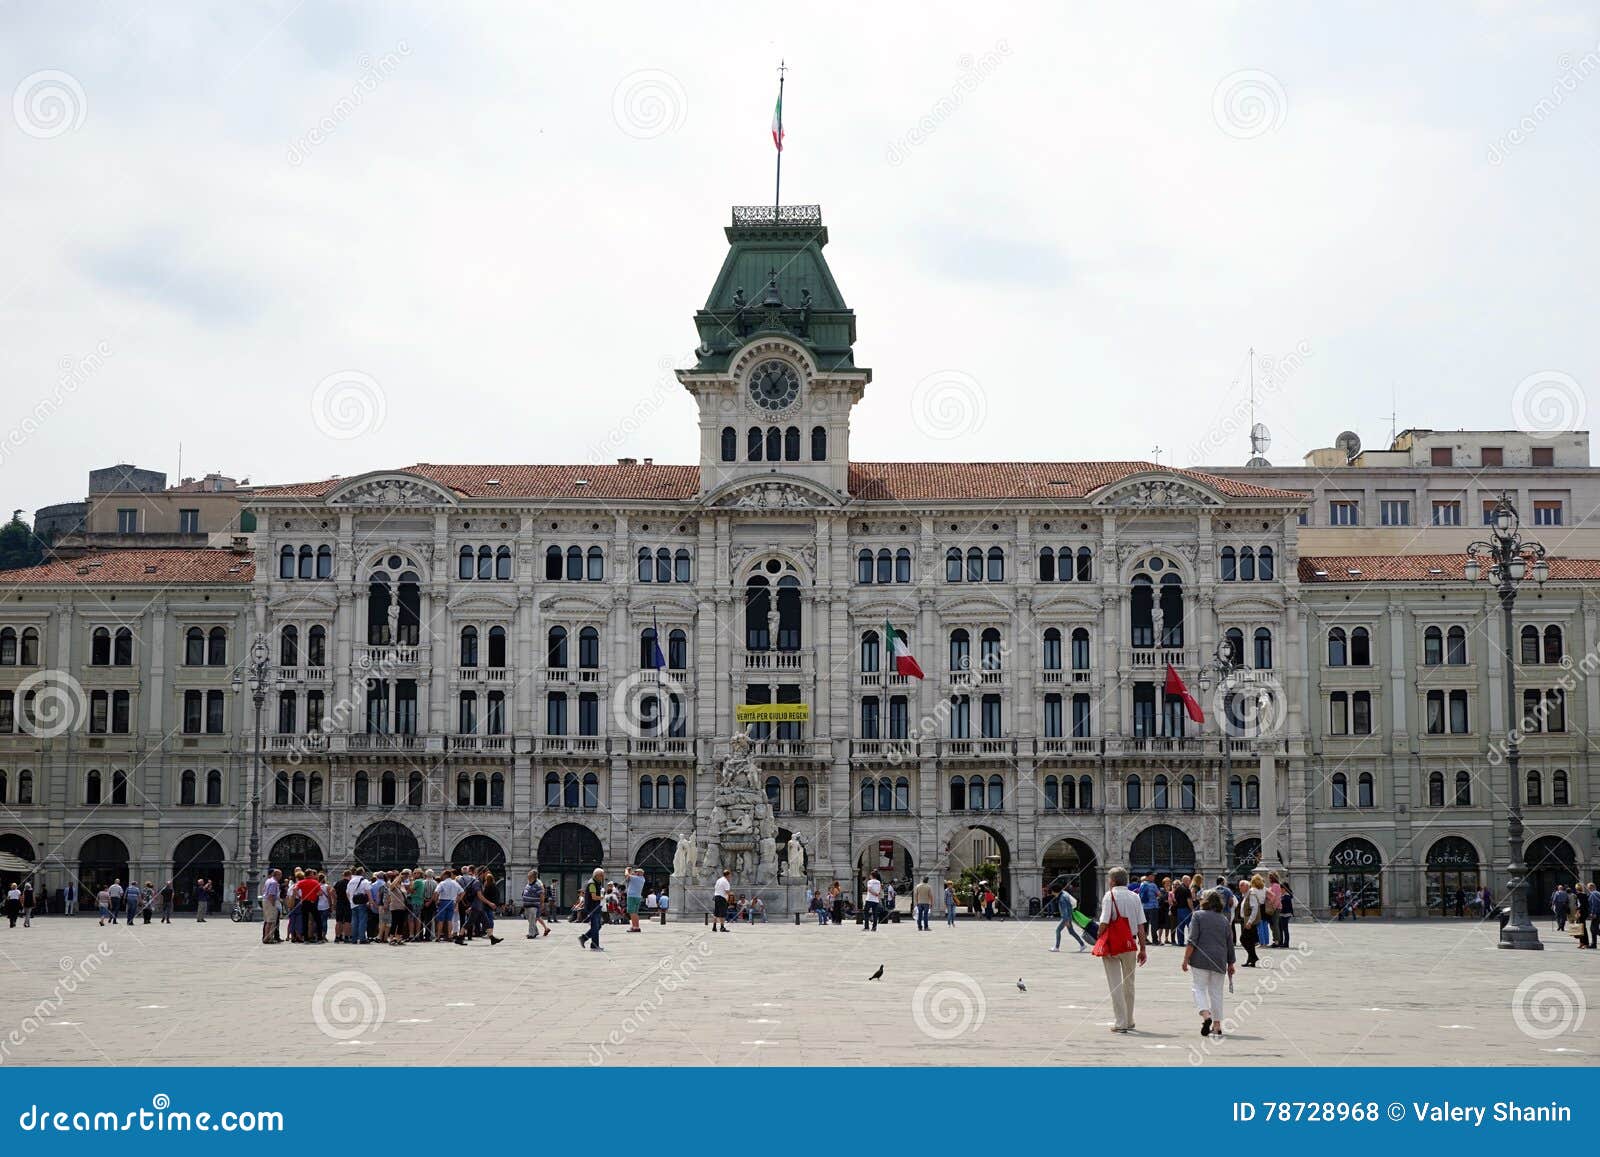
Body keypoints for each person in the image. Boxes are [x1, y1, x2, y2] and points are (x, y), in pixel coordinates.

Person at [1095, 866, 1148, 1033]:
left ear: (1112, 881)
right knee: (1129, 984)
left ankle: (1121, 1022)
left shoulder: (1109, 896)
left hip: (1112, 944)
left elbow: (1104, 921)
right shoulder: (1135, 897)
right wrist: (1143, 948)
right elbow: (1141, 925)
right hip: (1130, 944)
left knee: (1115, 984)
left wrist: (1099, 937)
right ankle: (1130, 1020)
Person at [1181, 889, 1236, 1038]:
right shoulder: (1224, 919)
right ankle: (1217, 1026)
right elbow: (1229, 943)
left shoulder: (1197, 916)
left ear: (1204, 901)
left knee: (1198, 988)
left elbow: (1192, 940)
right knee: (1216, 992)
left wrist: (1186, 959)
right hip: (1219, 960)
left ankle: (1206, 1015)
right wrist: (1231, 963)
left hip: (1200, 959)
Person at [1240, 874, 1267, 967]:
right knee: (1250, 941)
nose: (1239, 888)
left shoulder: (1251, 893)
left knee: (1243, 939)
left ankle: (1253, 957)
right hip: (1248, 920)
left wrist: (1250, 922)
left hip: (1250, 922)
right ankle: (1251, 960)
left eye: (1241, 886)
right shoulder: (1249, 893)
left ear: (1247, 886)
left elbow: (1255, 908)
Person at [578, 868, 606, 950]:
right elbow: (593, 897)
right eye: (601, 875)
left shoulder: (597, 882)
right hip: (592, 908)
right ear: (596, 875)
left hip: (596, 907)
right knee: (595, 926)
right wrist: (603, 897)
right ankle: (594, 945)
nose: (603, 877)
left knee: (598, 926)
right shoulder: (592, 884)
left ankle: (583, 938)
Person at [1052, 885, 1086, 952]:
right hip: (1069, 917)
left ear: (1055, 891)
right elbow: (1069, 908)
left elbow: (1065, 911)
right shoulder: (1064, 894)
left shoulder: (1062, 899)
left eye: (1052, 892)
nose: (1052, 893)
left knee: (1058, 930)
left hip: (1066, 918)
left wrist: (1066, 920)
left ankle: (1056, 947)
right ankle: (1082, 944)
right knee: (1071, 932)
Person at [1137, 873, 1161, 941]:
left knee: (1145, 924)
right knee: (1154, 924)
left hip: (1144, 907)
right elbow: (1159, 894)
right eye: (1152, 876)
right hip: (1153, 907)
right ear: (1148, 877)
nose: (1153, 877)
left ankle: (1143, 939)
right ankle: (1155, 940)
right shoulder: (1153, 885)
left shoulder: (1142, 884)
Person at [1173, 874, 1193, 947]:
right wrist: (1192, 909)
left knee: (1180, 927)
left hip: (1179, 909)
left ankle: (1180, 942)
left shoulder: (1177, 889)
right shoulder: (1186, 890)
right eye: (1189, 881)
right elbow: (1189, 901)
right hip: (1186, 909)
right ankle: (1190, 942)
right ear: (1185, 881)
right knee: (1190, 926)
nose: (1190, 882)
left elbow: (1175, 899)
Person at [262, 870, 282, 944]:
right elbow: (271, 895)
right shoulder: (274, 883)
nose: (281, 877)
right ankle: (268, 938)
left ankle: (266, 938)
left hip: (265, 901)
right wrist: (274, 905)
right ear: (277, 875)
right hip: (270, 902)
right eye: (280, 875)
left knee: (268, 921)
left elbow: (264, 890)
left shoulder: (268, 880)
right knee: (271, 921)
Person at [625, 866, 647, 932]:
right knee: (635, 912)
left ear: (639, 873)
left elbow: (627, 875)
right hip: (638, 897)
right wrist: (631, 872)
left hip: (632, 897)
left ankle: (634, 927)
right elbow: (628, 877)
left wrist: (626, 870)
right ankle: (636, 926)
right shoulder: (642, 879)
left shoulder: (635, 878)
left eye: (636, 872)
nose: (634, 873)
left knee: (632, 912)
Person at [711, 868, 732, 933]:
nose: (730, 877)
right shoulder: (726, 881)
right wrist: (731, 895)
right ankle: (722, 927)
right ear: (728, 875)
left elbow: (715, 888)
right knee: (722, 913)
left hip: (716, 897)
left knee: (716, 913)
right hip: (722, 898)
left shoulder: (719, 880)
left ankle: (714, 927)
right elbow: (727, 891)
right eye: (730, 875)